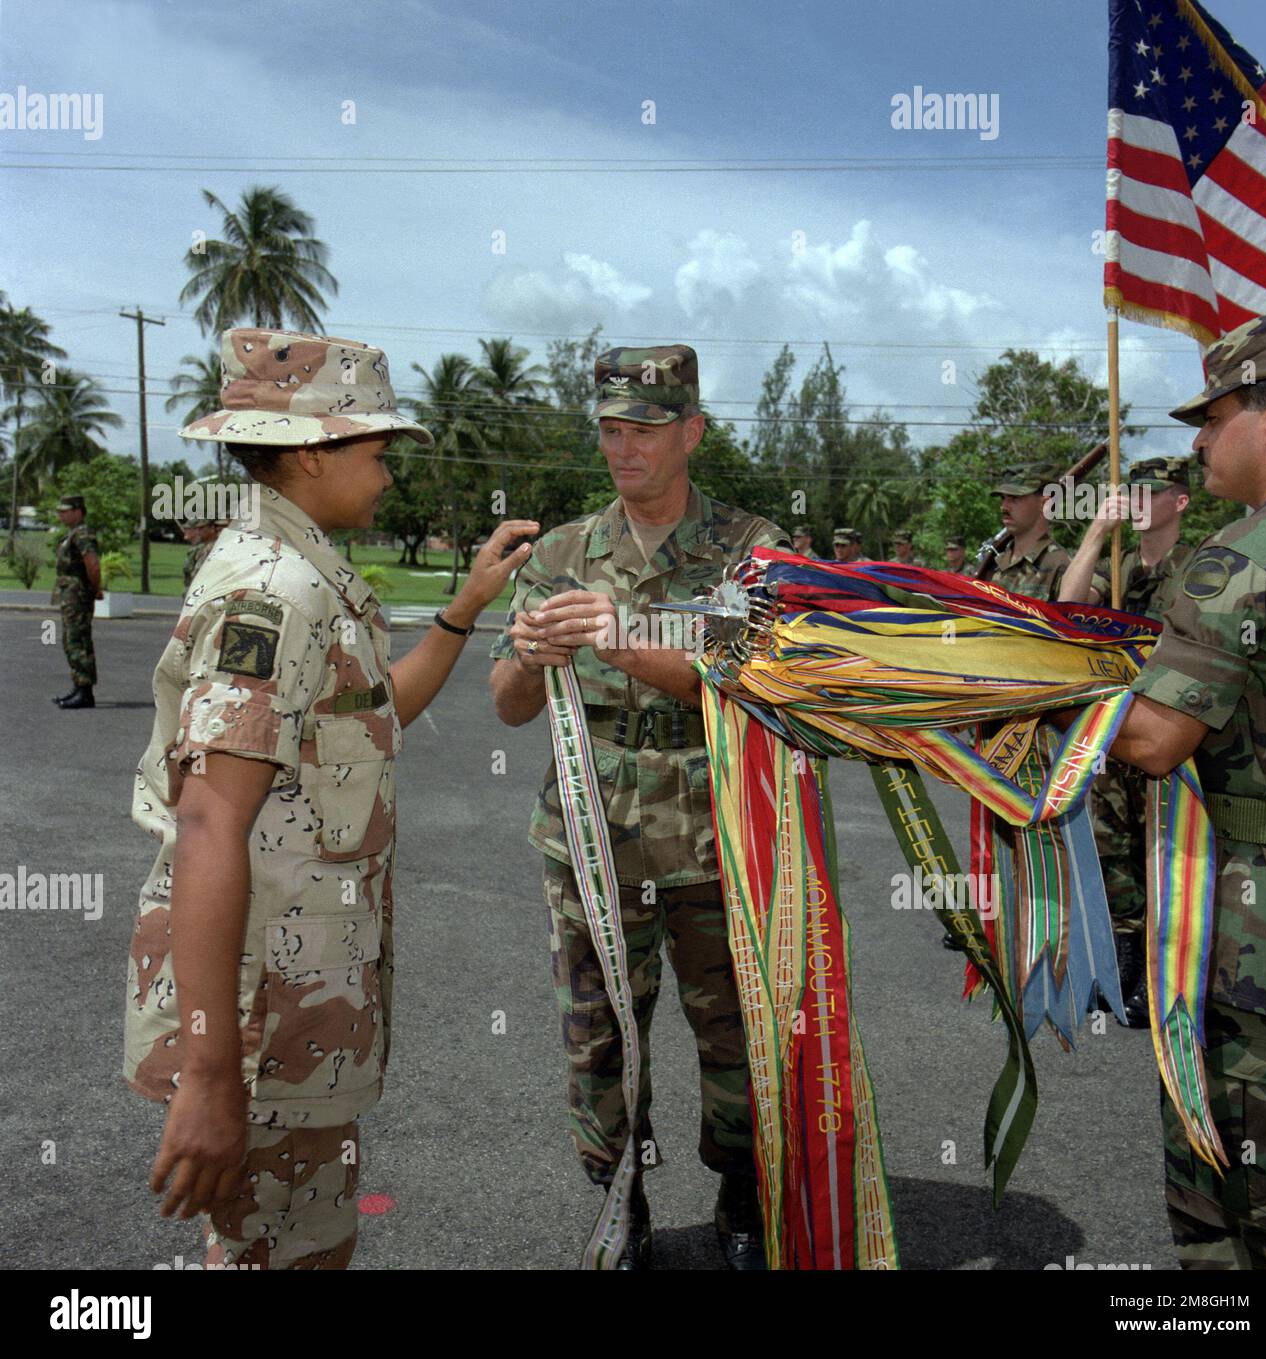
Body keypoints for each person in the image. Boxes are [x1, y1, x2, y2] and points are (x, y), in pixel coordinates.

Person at [123, 326, 536, 1270]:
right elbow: (207, 820)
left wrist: (464, 606)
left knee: (287, 1248)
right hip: (263, 1027)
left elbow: (375, 710)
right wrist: (212, 1074)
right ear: (311, 452)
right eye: (379, 451)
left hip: (302, 1014)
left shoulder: (309, 578)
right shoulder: (272, 593)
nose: (391, 475)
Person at [489, 344, 789, 1270]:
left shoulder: (754, 548)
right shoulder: (565, 550)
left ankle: (744, 1196)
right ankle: (620, 1197)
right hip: (592, 835)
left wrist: (621, 644)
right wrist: (532, 655)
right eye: (612, 431)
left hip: (715, 832)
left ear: (691, 432)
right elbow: (506, 702)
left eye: (646, 431)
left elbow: (766, 684)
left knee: (737, 1027)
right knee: (598, 1036)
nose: (626, 449)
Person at [1083, 310, 1266, 1269]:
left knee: (1244, 1205)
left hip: (1264, 931)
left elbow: (1157, 738)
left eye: (1214, 417)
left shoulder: (1244, 558)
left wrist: (1022, 695)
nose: (1199, 439)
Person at [1058, 457, 1195, 1024]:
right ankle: (1119, 969)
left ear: (1180, 502)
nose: (1138, 501)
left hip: (1171, 734)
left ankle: (1161, 979)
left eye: (1150, 492)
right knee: (1114, 854)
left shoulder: (1198, 565)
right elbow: (1067, 611)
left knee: (1164, 855)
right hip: (1116, 733)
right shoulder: (1118, 567)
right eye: (1131, 492)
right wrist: (1095, 534)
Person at [987, 462, 1072, 601]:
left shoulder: (1061, 566)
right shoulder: (994, 563)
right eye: (1003, 498)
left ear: (1045, 504)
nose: (1004, 507)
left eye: (1014, 498)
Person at [50, 493, 102, 709]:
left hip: (77, 595)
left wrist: (95, 588)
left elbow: (93, 564)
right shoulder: (73, 533)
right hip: (71, 595)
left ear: (78, 511)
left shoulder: (82, 533)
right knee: (71, 640)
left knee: (77, 641)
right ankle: (79, 686)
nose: (61, 515)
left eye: (65, 511)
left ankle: (85, 692)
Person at [180, 517, 226, 595]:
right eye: (197, 528)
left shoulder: (215, 547)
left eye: (201, 528)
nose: (198, 531)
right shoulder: (204, 547)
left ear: (211, 528)